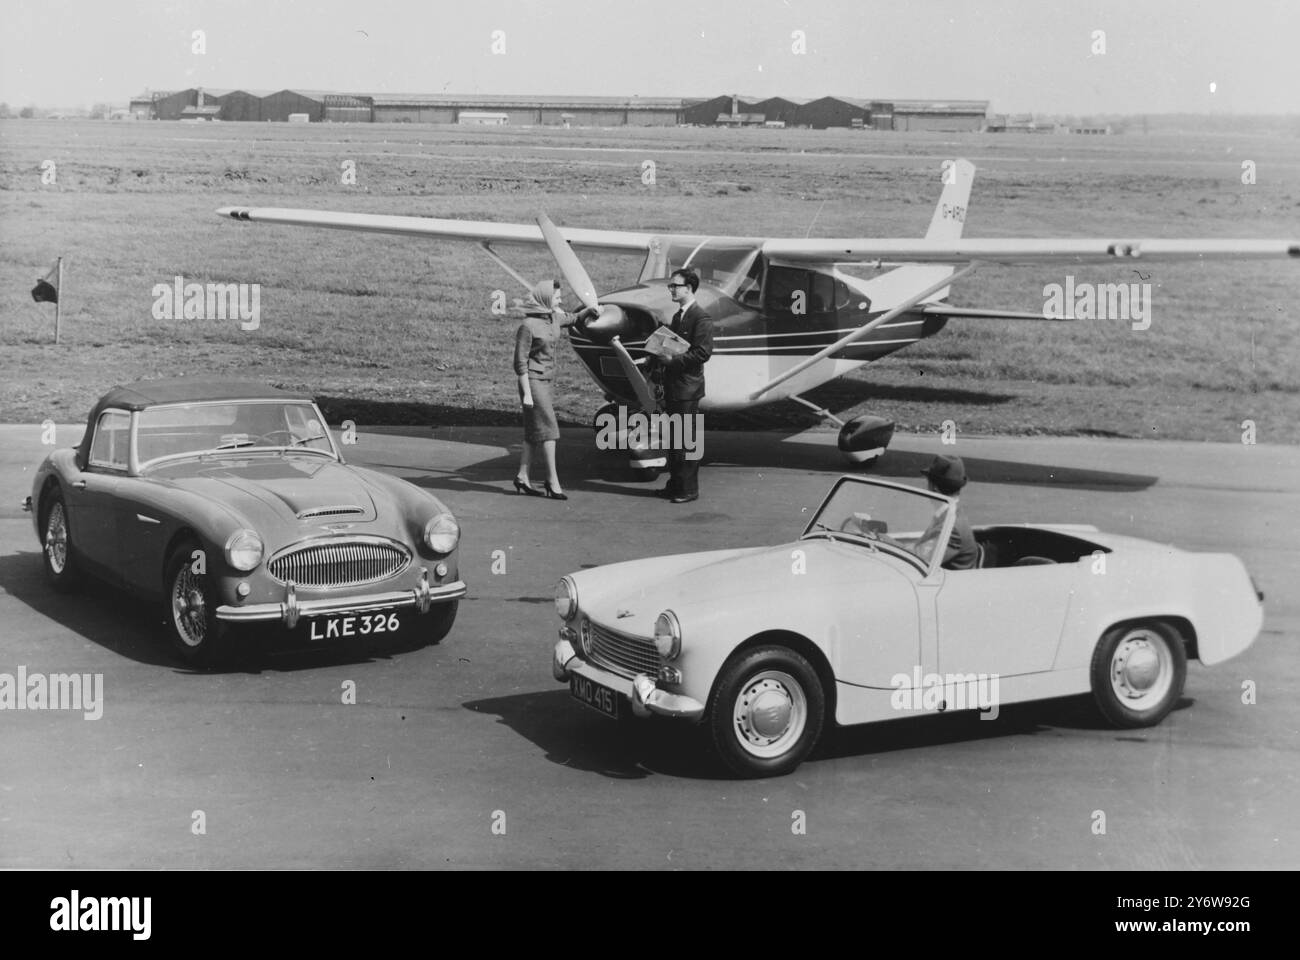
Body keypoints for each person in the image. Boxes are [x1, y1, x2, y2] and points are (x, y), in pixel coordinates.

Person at [513, 279, 575, 500]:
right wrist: (527, 394)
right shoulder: (527, 326)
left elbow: (573, 318)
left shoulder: (554, 318)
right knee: (550, 431)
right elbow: (520, 363)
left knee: (532, 432)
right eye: (557, 297)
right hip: (533, 382)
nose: (560, 300)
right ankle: (552, 481)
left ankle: (522, 476)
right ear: (546, 299)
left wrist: (596, 310)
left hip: (547, 380)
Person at [656, 267, 713, 503]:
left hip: (687, 389)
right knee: (675, 440)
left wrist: (671, 361)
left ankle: (688, 490)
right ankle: (676, 484)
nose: (671, 289)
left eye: (675, 286)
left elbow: (703, 353)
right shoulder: (679, 316)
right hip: (677, 386)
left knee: (686, 440)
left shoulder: (701, 317)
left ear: (688, 288)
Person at [917, 454, 979, 570]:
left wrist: (882, 539)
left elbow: (919, 559)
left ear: (933, 487)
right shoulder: (949, 514)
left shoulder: (952, 527)